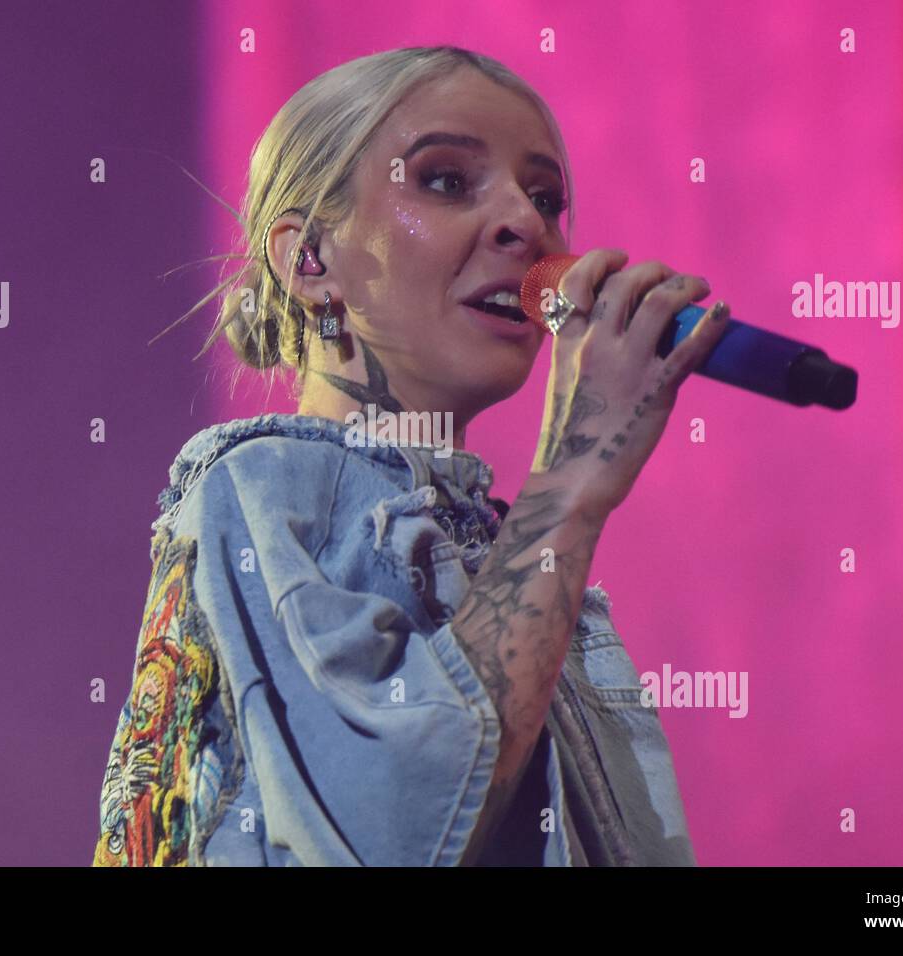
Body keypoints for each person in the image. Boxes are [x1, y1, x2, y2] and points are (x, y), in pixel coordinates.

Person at [92, 45, 730, 867]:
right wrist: (574, 477)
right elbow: (395, 831)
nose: (528, 227)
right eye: (445, 180)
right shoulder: (267, 486)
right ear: (310, 259)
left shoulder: (504, 547)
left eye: (545, 198)